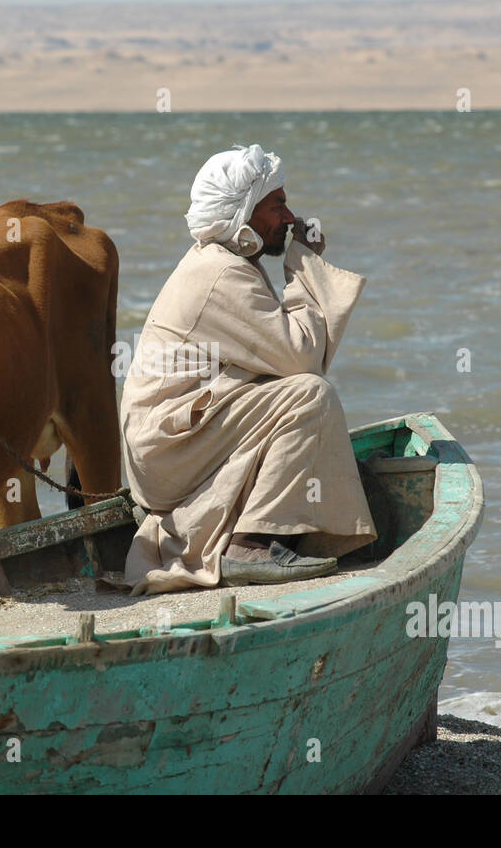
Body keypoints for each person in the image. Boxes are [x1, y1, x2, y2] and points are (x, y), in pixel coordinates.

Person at [120, 144, 377, 595]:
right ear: (243, 212)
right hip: (167, 450)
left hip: (175, 442)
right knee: (308, 394)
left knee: (291, 388)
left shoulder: (226, 264)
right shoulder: (220, 274)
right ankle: (249, 544)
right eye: (276, 204)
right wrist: (305, 265)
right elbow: (302, 358)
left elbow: (285, 360)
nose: (289, 216)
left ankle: (268, 529)